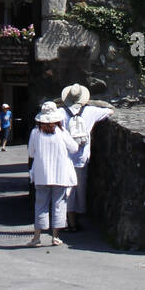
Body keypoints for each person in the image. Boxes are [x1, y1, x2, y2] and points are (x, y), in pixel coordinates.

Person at [60, 84, 113, 231]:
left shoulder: (61, 113)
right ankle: (80, 216)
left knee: (68, 190)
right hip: (82, 157)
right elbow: (109, 111)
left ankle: (71, 221)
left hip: (66, 157)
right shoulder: (90, 111)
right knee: (81, 188)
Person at [26, 101, 78, 246]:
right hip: (60, 175)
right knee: (59, 205)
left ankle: (37, 237)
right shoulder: (62, 132)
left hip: (42, 175)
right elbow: (74, 148)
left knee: (40, 205)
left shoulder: (35, 133)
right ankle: (55, 236)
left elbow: (31, 153)